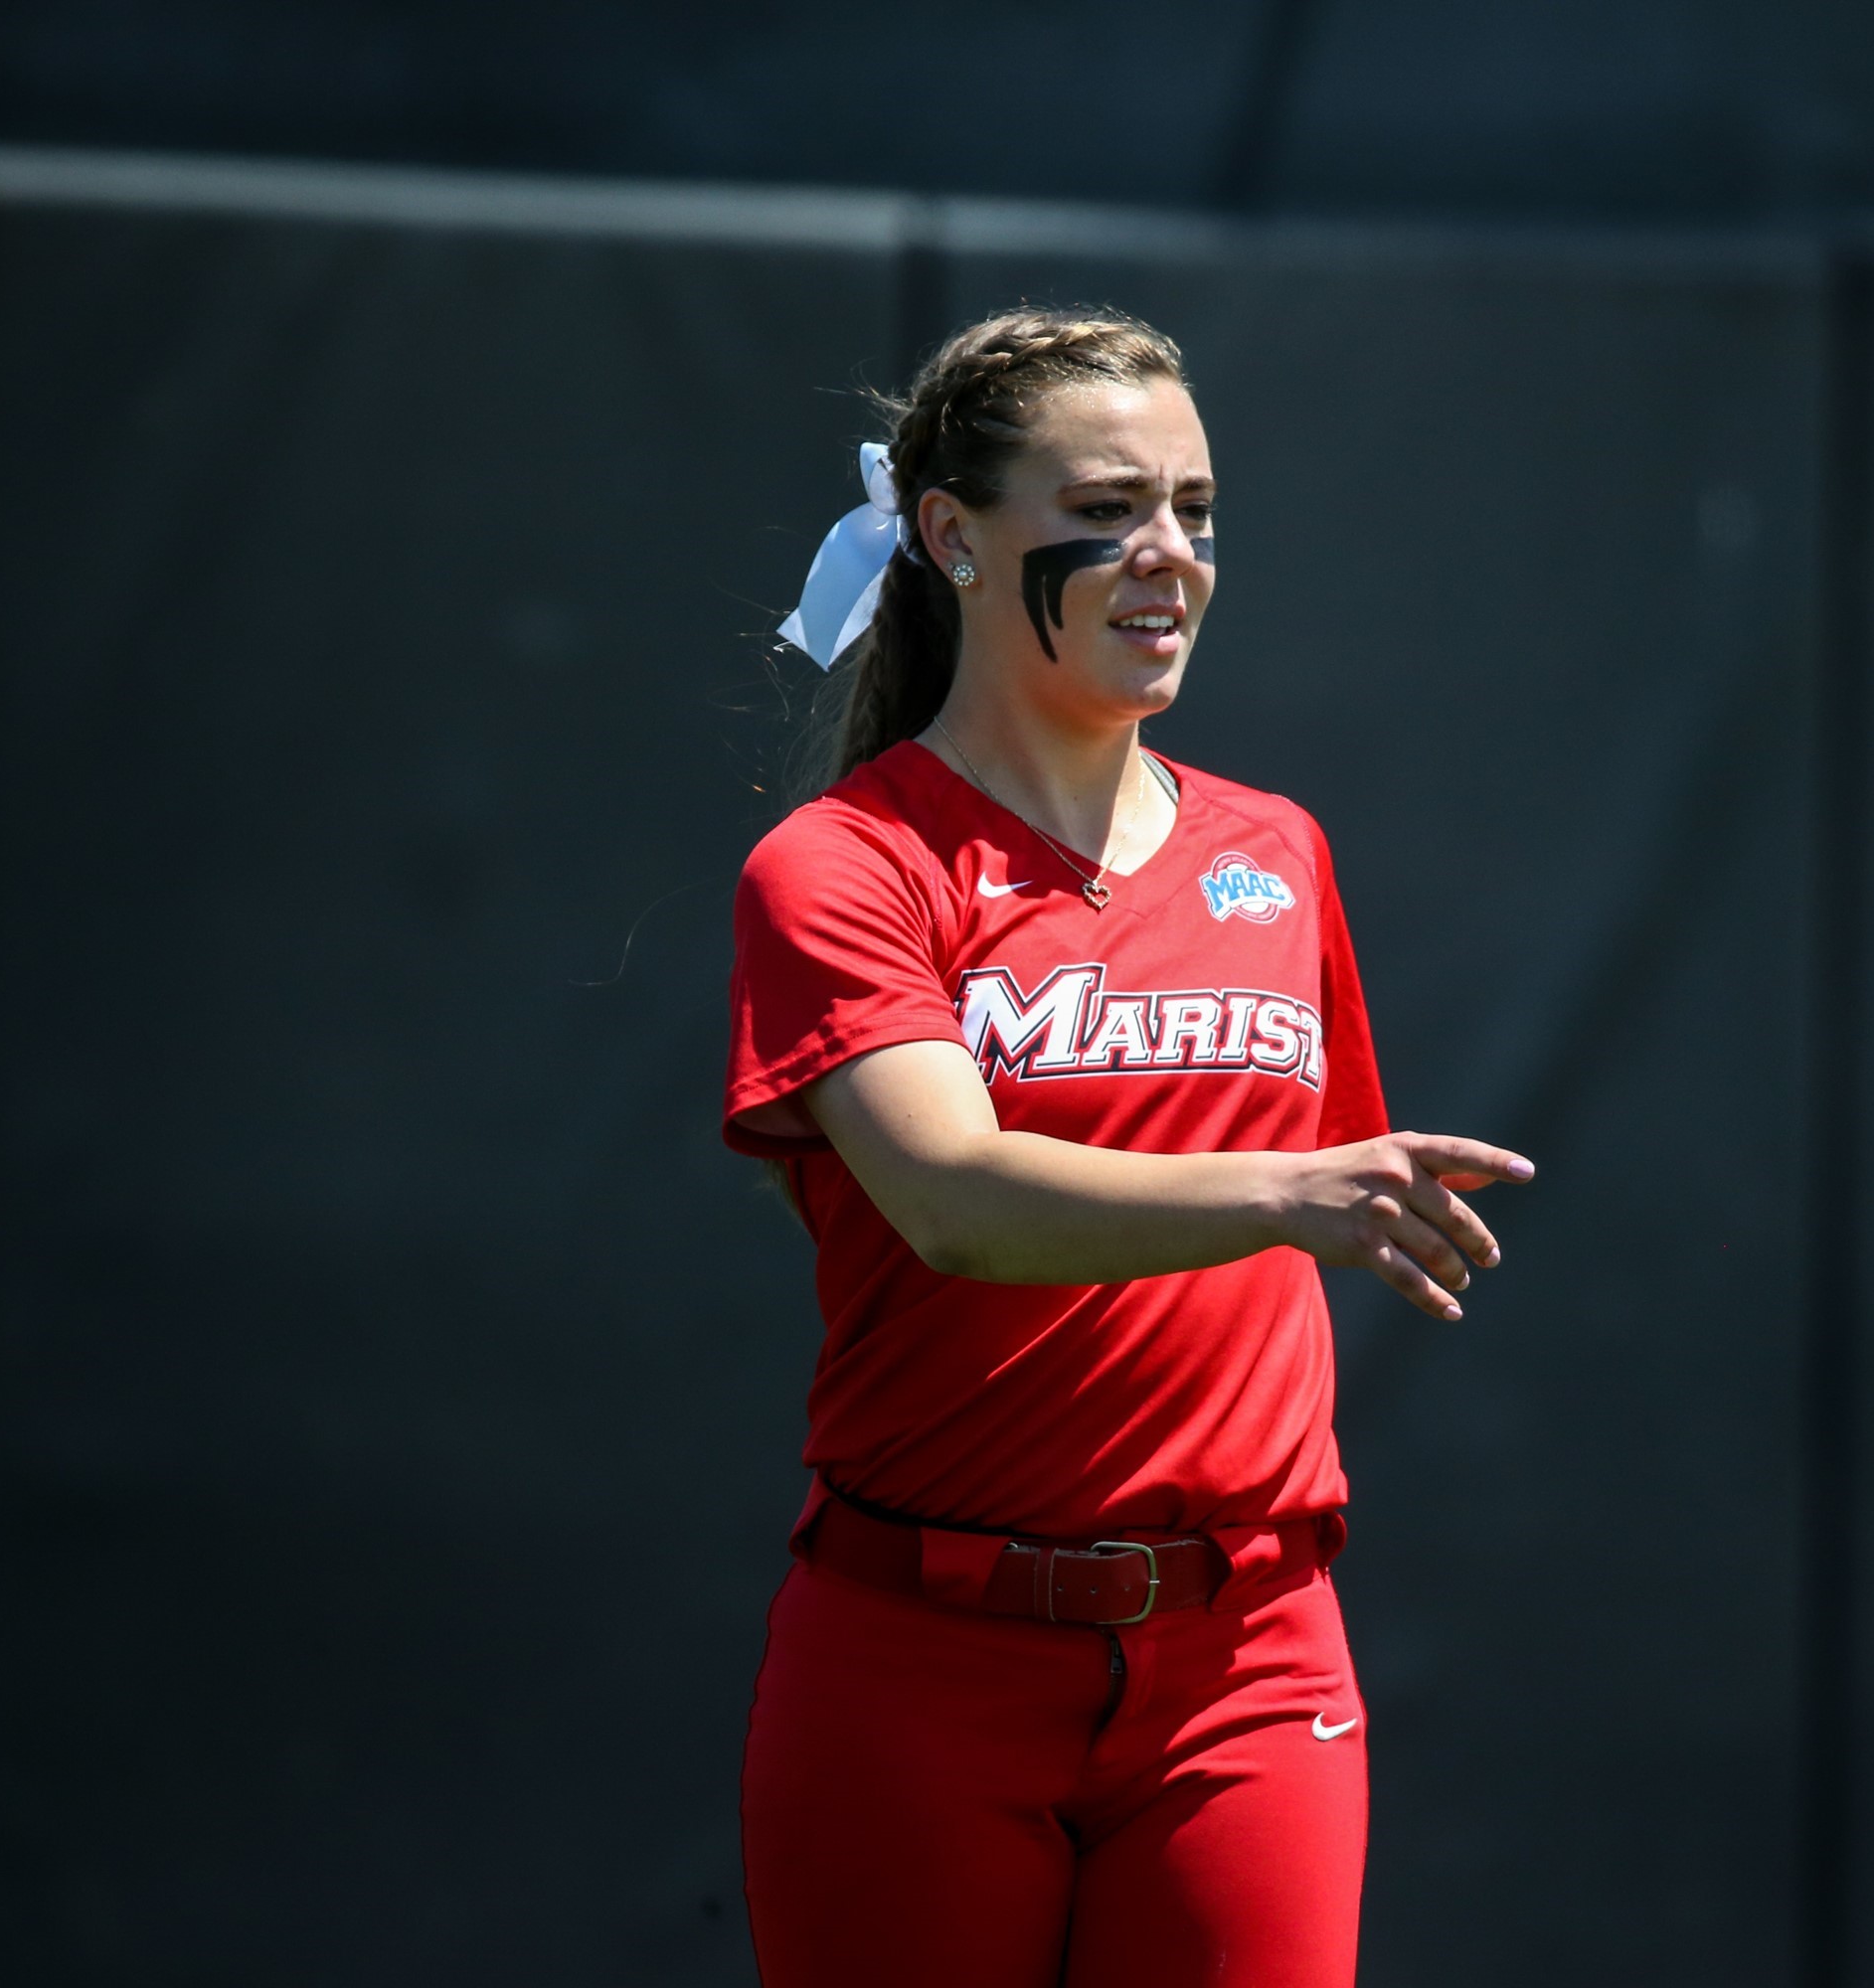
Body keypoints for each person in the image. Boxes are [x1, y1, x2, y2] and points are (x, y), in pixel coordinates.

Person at [722, 306, 1534, 1988]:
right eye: (1105, 509)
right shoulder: (844, 865)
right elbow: (950, 1200)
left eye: (1198, 508)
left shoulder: (1277, 852)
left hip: (1248, 1659)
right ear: (951, 534)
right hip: (919, 1659)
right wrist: (1287, 1190)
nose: (1168, 556)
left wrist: (1317, 1201)